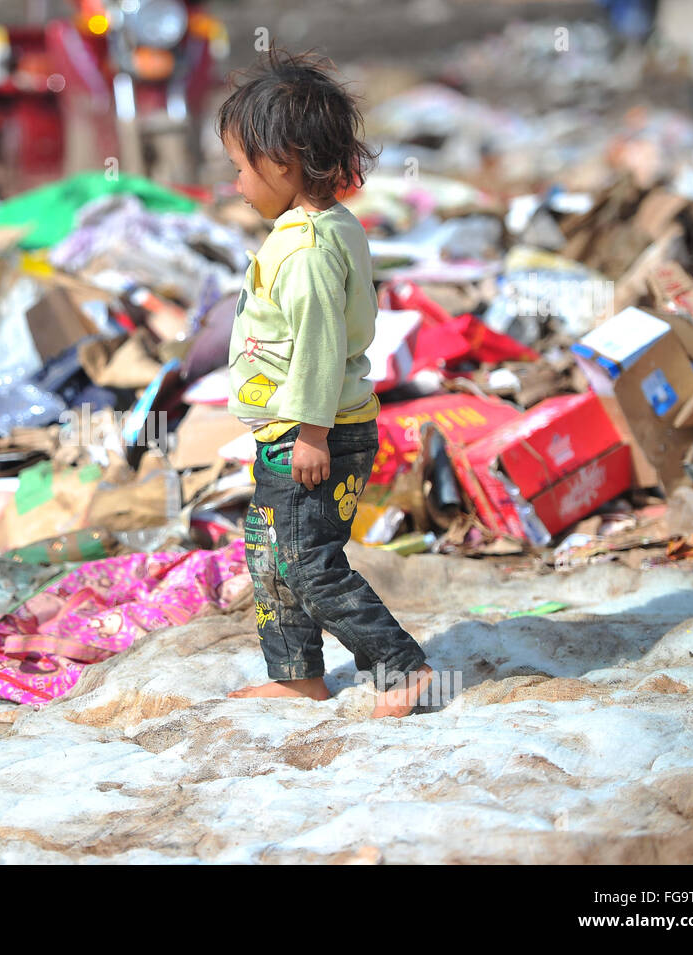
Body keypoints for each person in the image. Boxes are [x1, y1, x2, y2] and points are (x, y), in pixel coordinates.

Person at [218, 51, 434, 718]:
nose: (235, 184)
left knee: (309, 562)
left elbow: (317, 348)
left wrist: (311, 432)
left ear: (283, 162)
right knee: (272, 558)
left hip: (316, 435)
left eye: (240, 168)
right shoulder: (320, 228)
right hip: (289, 432)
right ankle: (296, 672)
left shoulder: (308, 249)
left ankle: (402, 666)